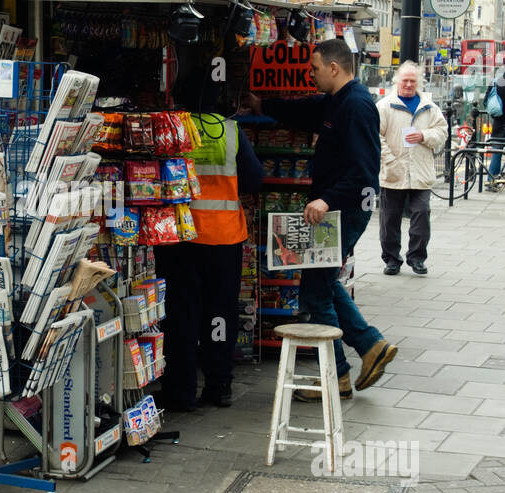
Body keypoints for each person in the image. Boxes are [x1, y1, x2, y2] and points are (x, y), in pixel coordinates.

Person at [245, 37, 397, 399]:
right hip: (335, 210)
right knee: (323, 283)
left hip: (344, 211)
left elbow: (364, 171)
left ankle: (337, 377)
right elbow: (304, 109)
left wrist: (326, 201)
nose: (310, 74)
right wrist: (261, 104)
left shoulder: (357, 106)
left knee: (316, 289)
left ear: (334, 67)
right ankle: (370, 346)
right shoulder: (335, 101)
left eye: (314, 68)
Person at [155, 72, 263, 411]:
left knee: (181, 314)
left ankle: (181, 391)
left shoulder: (173, 128)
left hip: (180, 238)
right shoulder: (230, 132)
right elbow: (254, 178)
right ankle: (219, 386)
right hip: (224, 237)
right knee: (219, 313)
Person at [377, 61, 448, 274]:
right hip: (393, 171)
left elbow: (442, 132)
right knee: (389, 219)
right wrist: (389, 160)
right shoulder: (384, 106)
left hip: (421, 171)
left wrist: (424, 135)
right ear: (397, 81)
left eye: (412, 81)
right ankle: (391, 259)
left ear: (418, 83)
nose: (408, 84)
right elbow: (375, 136)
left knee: (422, 214)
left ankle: (416, 258)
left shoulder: (429, 107)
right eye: (405, 80)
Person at [483, 62, 505, 188]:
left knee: (497, 152)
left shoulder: (496, 82)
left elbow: (486, 102)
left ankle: (491, 181)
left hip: (499, 122)